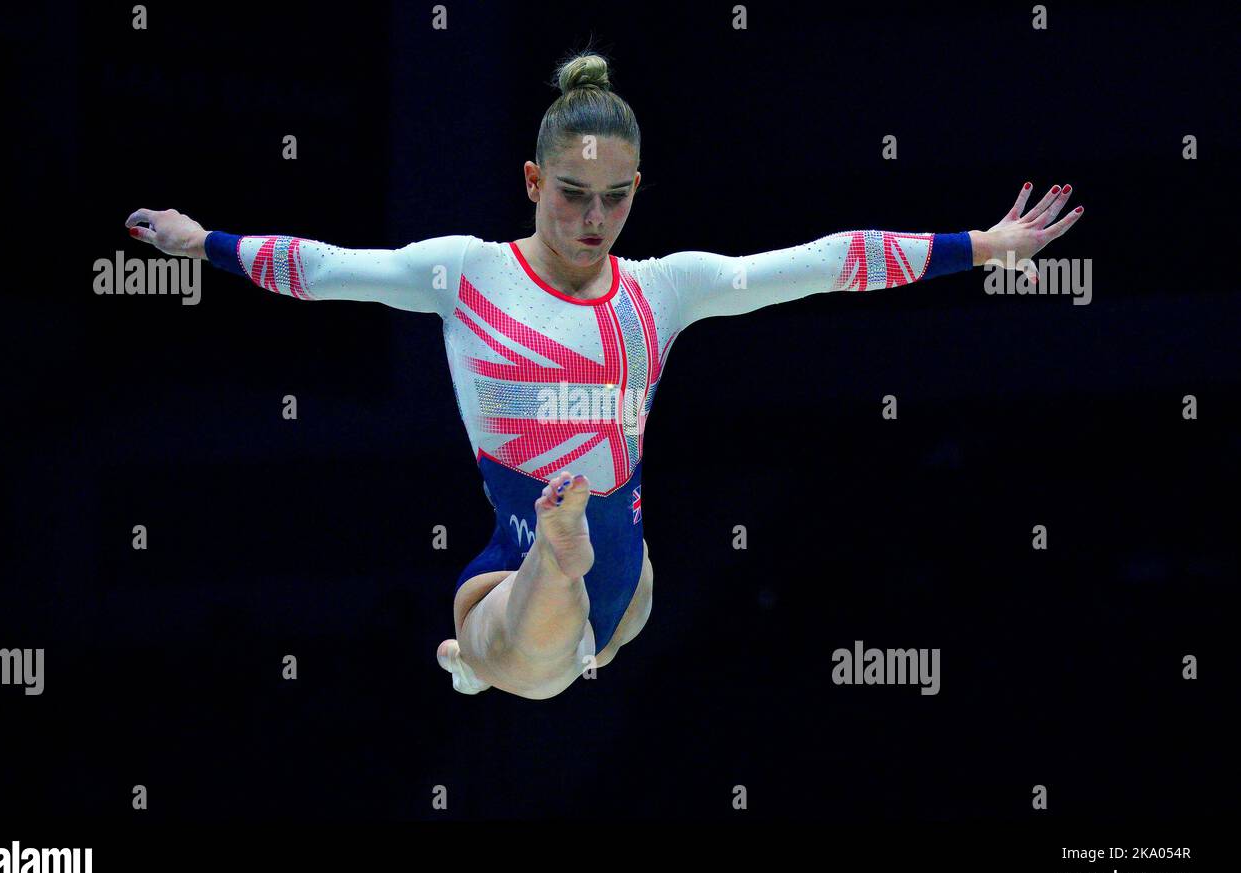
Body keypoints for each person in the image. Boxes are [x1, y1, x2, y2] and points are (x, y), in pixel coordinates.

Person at [124, 51, 1082, 701]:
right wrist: (199, 240)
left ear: (636, 192)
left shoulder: (664, 291)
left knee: (542, 628)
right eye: (573, 195)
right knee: (503, 625)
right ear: (534, 183)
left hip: (619, 575)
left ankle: (544, 578)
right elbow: (327, 268)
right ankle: (524, 594)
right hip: (513, 554)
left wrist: (980, 246)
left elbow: (825, 260)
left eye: (616, 198)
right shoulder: (466, 274)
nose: (594, 218)